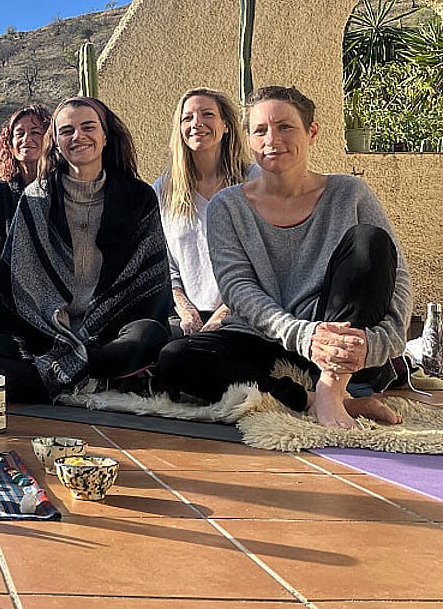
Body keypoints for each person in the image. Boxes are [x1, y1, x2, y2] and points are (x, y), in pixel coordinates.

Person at [156, 86, 410, 429]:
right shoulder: (227, 206)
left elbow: (396, 279)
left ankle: (332, 388)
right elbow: (238, 289)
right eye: (260, 130)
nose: (272, 139)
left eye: (285, 127)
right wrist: (305, 336)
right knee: (175, 359)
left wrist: (380, 344)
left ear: (311, 132)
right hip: (263, 334)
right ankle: (311, 400)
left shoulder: (349, 193)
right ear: (248, 138)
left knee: (369, 241)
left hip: (335, 334)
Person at [0, 96, 172, 401]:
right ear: (56, 142)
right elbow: (15, 281)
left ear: (105, 135)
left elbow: (149, 281)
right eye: (67, 131)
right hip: (45, 331)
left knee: (147, 337)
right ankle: (86, 379)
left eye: (88, 127)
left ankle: (53, 380)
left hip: (111, 330)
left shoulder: (138, 197)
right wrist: (55, 322)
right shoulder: (36, 198)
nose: (78, 136)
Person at [153, 88, 257, 336]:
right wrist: (187, 312)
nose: (196, 123)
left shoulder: (255, 180)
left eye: (207, 114)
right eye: (187, 118)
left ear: (226, 125)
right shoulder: (163, 190)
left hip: (247, 310)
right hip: (186, 316)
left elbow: (265, 261)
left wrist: (223, 315)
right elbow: (165, 265)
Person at [0, 104, 51, 292]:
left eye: (35, 132)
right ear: (10, 143)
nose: (27, 139)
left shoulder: (63, 189)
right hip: (10, 299)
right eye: (20, 134)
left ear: (50, 139)